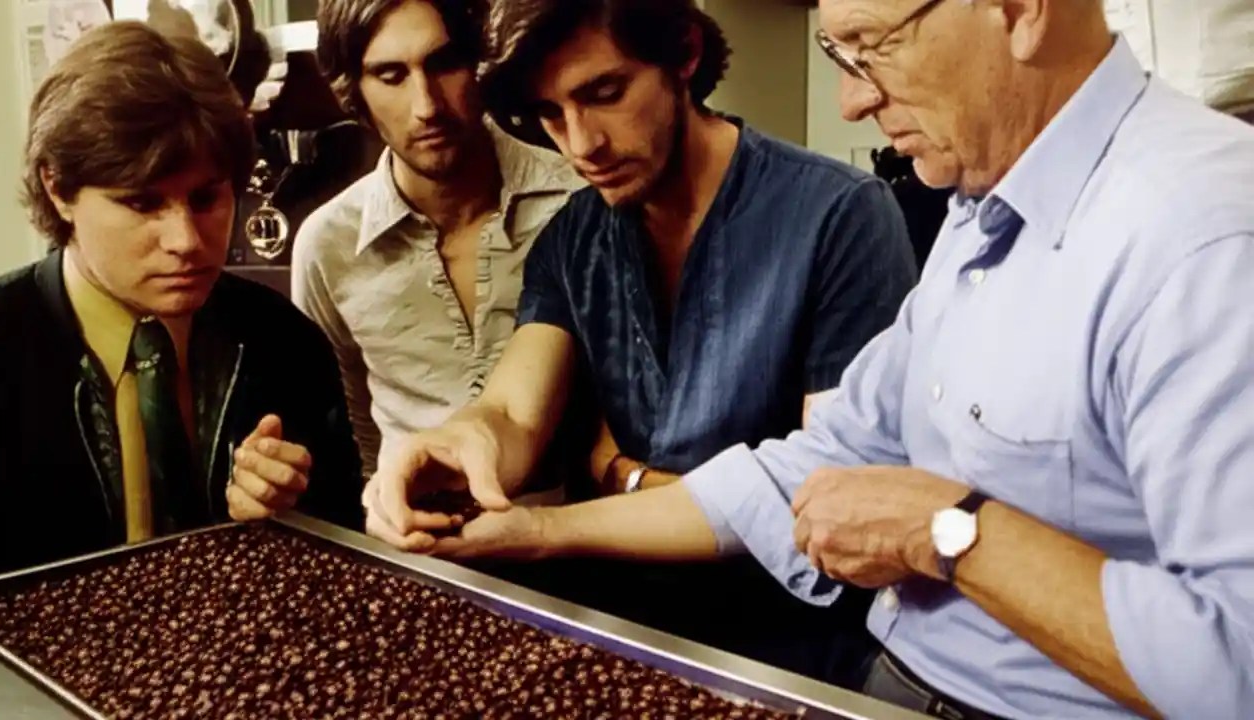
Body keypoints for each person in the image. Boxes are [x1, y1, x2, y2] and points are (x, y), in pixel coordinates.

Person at [375, 0, 1254, 717]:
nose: (850, 103)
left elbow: (1236, 664)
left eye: (870, 46)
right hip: (887, 679)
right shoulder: (979, 210)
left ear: (1017, 10)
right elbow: (818, 462)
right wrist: (531, 529)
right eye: (838, 50)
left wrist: (949, 530)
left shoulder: (1206, 232)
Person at [364, 0, 917, 686]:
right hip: (621, 633)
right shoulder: (576, 236)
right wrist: (459, 444)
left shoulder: (840, 215)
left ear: (683, 54)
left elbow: (829, 502)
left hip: (789, 657)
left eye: (604, 94)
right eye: (549, 113)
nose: (580, 144)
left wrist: (603, 490)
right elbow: (513, 411)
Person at [0, 21, 364, 579]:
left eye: (207, 197)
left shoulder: (285, 341)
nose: (186, 241)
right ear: (58, 189)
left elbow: (342, 553)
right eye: (142, 203)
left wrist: (289, 520)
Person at [292, 0, 583, 477]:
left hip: (574, 528)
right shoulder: (329, 244)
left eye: (444, 64)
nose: (427, 106)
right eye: (391, 75)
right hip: (409, 534)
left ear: (478, 65)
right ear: (355, 93)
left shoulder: (579, 203)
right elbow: (349, 428)